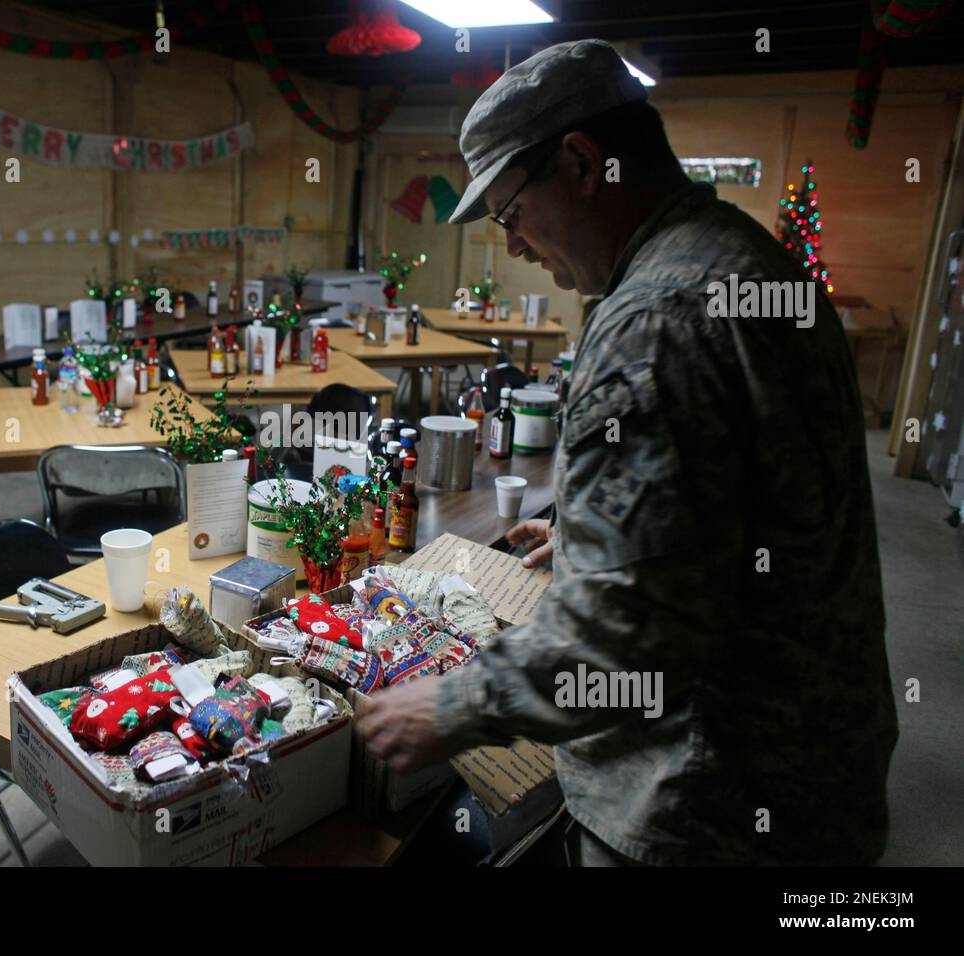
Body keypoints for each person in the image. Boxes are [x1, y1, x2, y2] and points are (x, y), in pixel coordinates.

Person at [356, 40, 898, 865]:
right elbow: (742, 503)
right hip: (813, 769)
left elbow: (622, 636)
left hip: (699, 797)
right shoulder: (749, 262)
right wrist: (585, 534)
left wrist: (453, 707)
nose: (513, 246)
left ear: (580, 162)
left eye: (508, 213)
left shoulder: (655, 320)